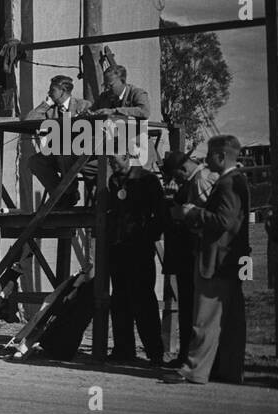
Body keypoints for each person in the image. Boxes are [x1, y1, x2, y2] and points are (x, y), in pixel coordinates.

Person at [163, 136, 250, 385]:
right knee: (231, 320)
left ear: (221, 157)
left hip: (216, 258)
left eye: (210, 154)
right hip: (234, 258)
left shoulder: (227, 183)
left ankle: (194, 370)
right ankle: (230, 370)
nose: (205, 159)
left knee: (205, 318)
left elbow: (224, 221)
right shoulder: (239, 180)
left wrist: (192, 213)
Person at [105, 152, 166, 365]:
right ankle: (123, 350)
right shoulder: (113, 181)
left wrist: (149, 236)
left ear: (127, 156)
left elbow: (160, 212)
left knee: (144, 301)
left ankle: (155, 353)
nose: (112, 163)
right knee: (119, 300)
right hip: (118, 248)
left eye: (116, 158)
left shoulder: (146, 179)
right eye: (110, 160)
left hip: (139, 248)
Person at [160, 150, 218, 366]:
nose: (177, 181)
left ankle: (192, 357)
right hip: (189, 252)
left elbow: (204, 217)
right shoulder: (194, 181)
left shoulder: (200, 181)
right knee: (188, 307)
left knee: (193, 308)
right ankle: (187, 355)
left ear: (183, 170)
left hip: (193, 252)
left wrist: (180, 212)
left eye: (177, 176)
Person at [25, 74, 94, 208]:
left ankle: (68, 193)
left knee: (64, 152)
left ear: (62, 91)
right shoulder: (51, 110)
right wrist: (45, 104)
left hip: (79, 153)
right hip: (58, 153)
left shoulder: (83, 105)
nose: (49, 93)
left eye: (52, 90)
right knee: (35, 161)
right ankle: (61, 195)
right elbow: (28, 120)